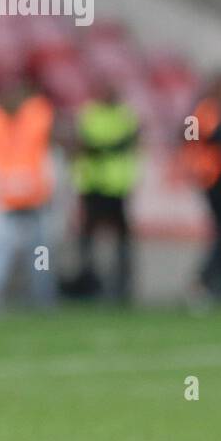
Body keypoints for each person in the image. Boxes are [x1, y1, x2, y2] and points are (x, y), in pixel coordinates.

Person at [0, 81, 56, 308]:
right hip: (5, 196)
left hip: (33, 194)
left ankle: (43, 294)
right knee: (0, 249)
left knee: (39, 250)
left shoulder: (35, 116)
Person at [69, 82, 140, 300]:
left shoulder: (126, 115)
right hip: (93, 183)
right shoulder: (89, 114)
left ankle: (121, 284)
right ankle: (88, 281)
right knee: (88, 237)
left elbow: (129, 142)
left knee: (122, 239)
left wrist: (101, 147)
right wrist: (108, 147)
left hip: (118, 186)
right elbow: (82, 144)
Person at [182, 73, 221, 304]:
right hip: (214, 179)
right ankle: (206, 280)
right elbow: (190, 135)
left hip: (219, 178)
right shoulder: (205, 110)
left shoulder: (211, 110)